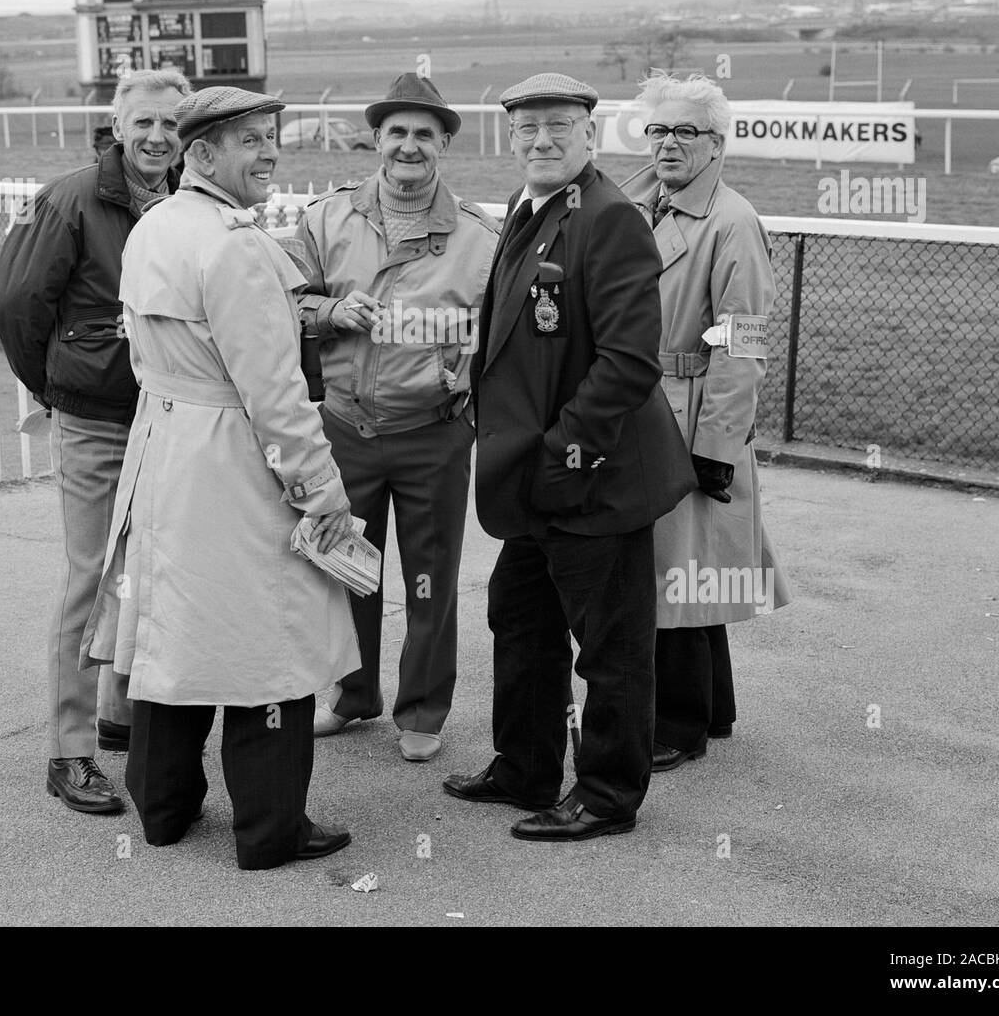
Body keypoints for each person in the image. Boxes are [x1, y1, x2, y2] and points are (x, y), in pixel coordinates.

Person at [81, 86, 358, 870]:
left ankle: (164, 808)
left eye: (270, 136)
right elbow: (274, 393)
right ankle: (271, 828)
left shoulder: (158, 225)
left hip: (165, 445)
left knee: (170, 631)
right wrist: (322, 491)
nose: (268, 152)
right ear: (201, 155)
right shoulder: (233, 244)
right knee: (267, 638)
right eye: (247, 141)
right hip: (229, 453)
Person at [443, 73, 696, 842]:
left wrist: (563, 456)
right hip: (534, 474)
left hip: (592, 476)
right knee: (520, 620)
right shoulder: (530, 209)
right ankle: (524, 766)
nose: (542, 141)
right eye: (528, 129)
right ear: (511, 138)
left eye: (559, 127)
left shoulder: (610, 218)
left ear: (591, 135)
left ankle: (609, 795)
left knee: (611, 646)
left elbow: (627, 362)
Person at [0, 67, 190, 814]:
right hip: (94, 419)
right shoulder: (72, 198)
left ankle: (120, 712)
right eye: (144, 122)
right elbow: (17, 304)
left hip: (163, 417)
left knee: (148, 568)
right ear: (117, 124)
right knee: (90, 578)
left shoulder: (183, 202)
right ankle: (68, 750)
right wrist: (54, 387)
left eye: (172, 123)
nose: (158, 136)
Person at [285, 73, 498, 763]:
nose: (410, 146)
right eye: (398, 132)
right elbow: (279, 296)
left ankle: (424, 708)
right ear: (376, 139)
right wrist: (327, 312)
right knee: (347, 565)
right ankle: (352, 695)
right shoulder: (326, 218)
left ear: (444, 147)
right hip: (346, 429)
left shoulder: (479, 240)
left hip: (434, 432)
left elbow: (501, 339)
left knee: (430, 578)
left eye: (425, 135)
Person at [620, 72, 790, 771]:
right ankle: (713, 708)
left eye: (684, 132)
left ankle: (679, 726)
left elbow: (744, 338)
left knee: (678, 573)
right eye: (658, 130)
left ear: (717, 144)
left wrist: (718, 443)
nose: (666, 144)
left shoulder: (731, 221)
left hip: (688, 411)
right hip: (643, 405)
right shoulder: (639, 202)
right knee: (693, 567)